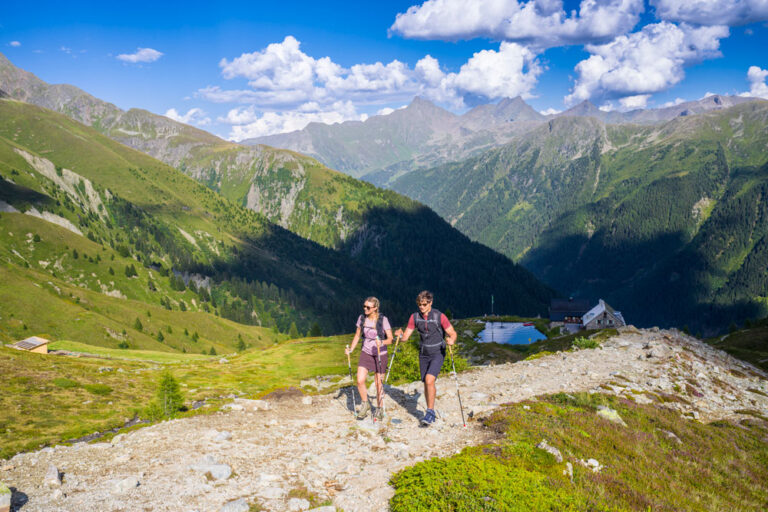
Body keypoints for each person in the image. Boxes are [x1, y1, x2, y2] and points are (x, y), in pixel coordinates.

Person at [395, 290, 457, 427]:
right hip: (423, 354)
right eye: (419, 304)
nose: (421, 307)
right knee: (426, 382)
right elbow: (405, 337)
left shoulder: (439, 316)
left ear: (430, 302)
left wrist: (451, 340)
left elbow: (452, 333)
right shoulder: (415, 317)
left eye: (424, 304)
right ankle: (431, 410)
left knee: (429, 380)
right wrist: (399, 335)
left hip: (438, 352)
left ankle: (430, 412)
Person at [345, 297, 393, 420]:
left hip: (380, 353)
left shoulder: (383, 320)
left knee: (378, 383)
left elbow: (390, 339)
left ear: (375, 308)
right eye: (364, 306)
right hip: (366, 352)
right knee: (360, 380)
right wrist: (351, 349)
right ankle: (365, 404)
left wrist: (382, 342)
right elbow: (357, 335)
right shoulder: (362, 319)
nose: (365, 309)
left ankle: (380, 408)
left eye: (368, 307)